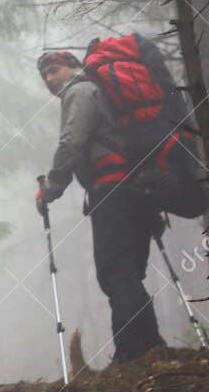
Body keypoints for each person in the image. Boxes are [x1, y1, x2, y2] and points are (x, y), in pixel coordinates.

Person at [34, 48, 166, 363]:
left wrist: (51, 188)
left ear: (73, 67)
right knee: (128, 273)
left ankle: (129, 355)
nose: (51, 80)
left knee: (115, 272)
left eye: (54, 70)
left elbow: (73, 141)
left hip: (112, 191)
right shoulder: (100, 91)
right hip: (137, 190)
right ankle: (153, 347)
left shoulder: (79, 91)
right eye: (45, 76)